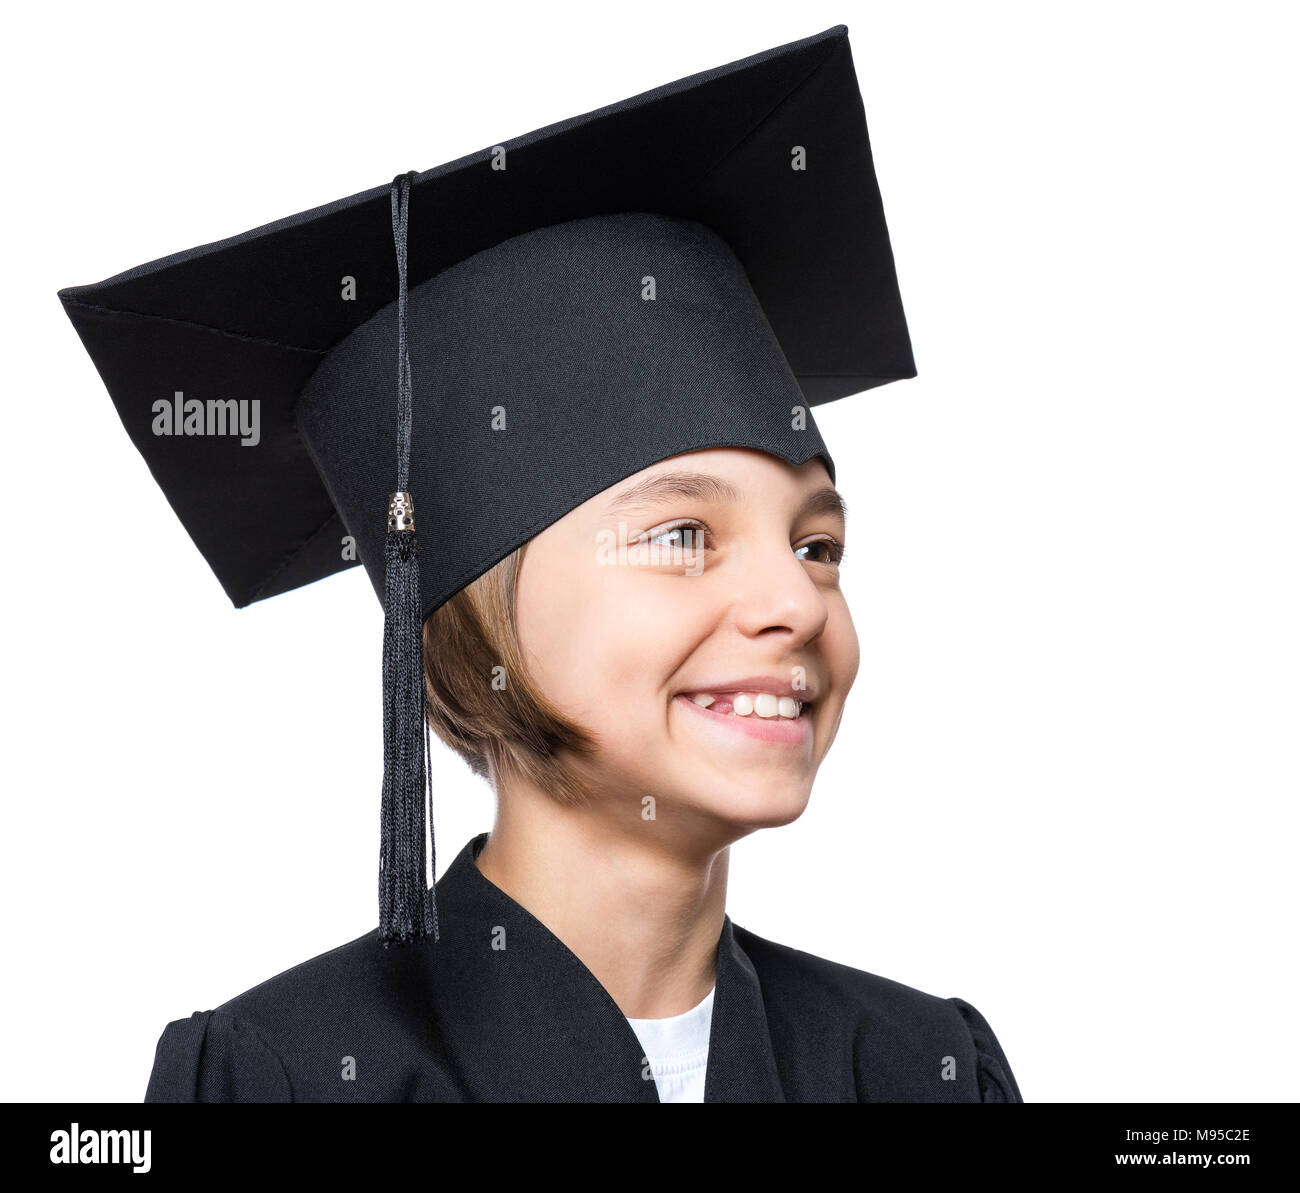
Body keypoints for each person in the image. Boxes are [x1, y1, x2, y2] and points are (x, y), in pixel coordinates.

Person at [59, 25, 1023, 1103]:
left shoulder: (913, 1068)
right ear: (471, 611)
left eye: (817, 543)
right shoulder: (284, 1077)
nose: (795, 598)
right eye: (680, 537)